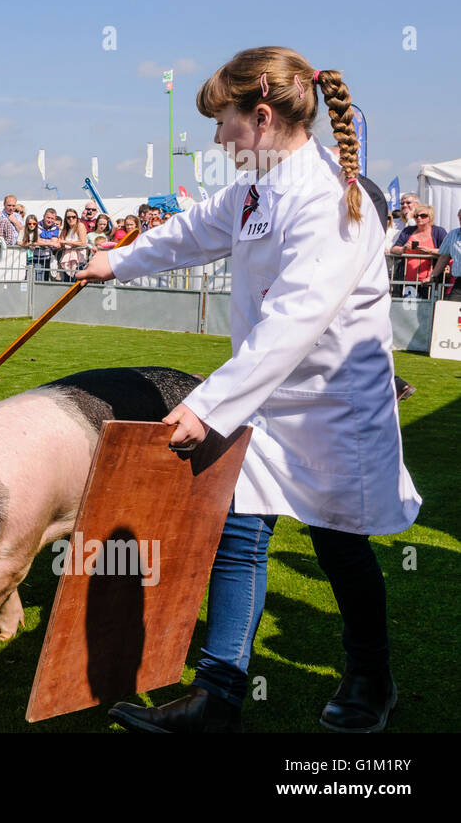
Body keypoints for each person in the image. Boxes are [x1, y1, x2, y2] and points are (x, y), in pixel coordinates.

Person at [79, 46, 421, 734]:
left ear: (261, 118)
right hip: (268, 400)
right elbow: (190, 233)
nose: (217, 141)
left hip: (334, 408)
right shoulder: (257, 187)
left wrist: (207, 403)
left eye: (224, 124)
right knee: (238, 534)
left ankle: (370, 678)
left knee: (339, 547)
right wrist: (113, 261)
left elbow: (293, 322)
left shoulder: (329, 200)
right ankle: (218, 696)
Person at [389, 205, 444, 297]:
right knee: (408, 309)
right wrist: (403, 249)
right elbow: (394, 249)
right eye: (416, 215)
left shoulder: (438, 232)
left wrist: (429, 251)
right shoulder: (408, 231)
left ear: (430, 217)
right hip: (408, 280)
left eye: (423, 215)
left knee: (427, 309)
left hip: (429, 280)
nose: (419, 218)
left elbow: (446, 252)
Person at [428, 207, 461, 300]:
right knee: (451, 309)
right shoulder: (453, 234)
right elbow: (444, 257)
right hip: (459, 283)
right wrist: (432, 276)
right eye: (460, 218)